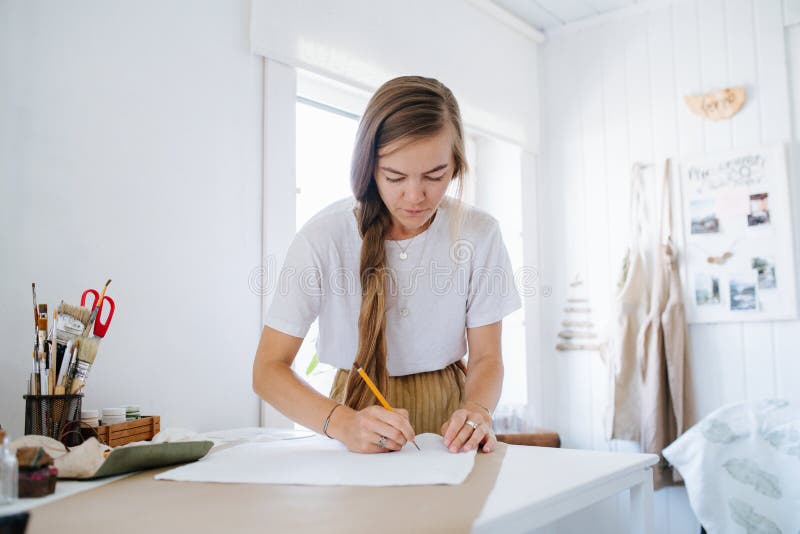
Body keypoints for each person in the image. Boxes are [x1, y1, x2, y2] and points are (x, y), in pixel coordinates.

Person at [252, 75, 521, 455]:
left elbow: (487, 357)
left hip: (450, 420)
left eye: (435, 175)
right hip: (351, 414)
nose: (415, 196)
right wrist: (343, 423)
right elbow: (267, 369)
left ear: (457, 165)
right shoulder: (323, 236)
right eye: (395, 177)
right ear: (369, 167)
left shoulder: (479, 234)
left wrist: (476, 410)